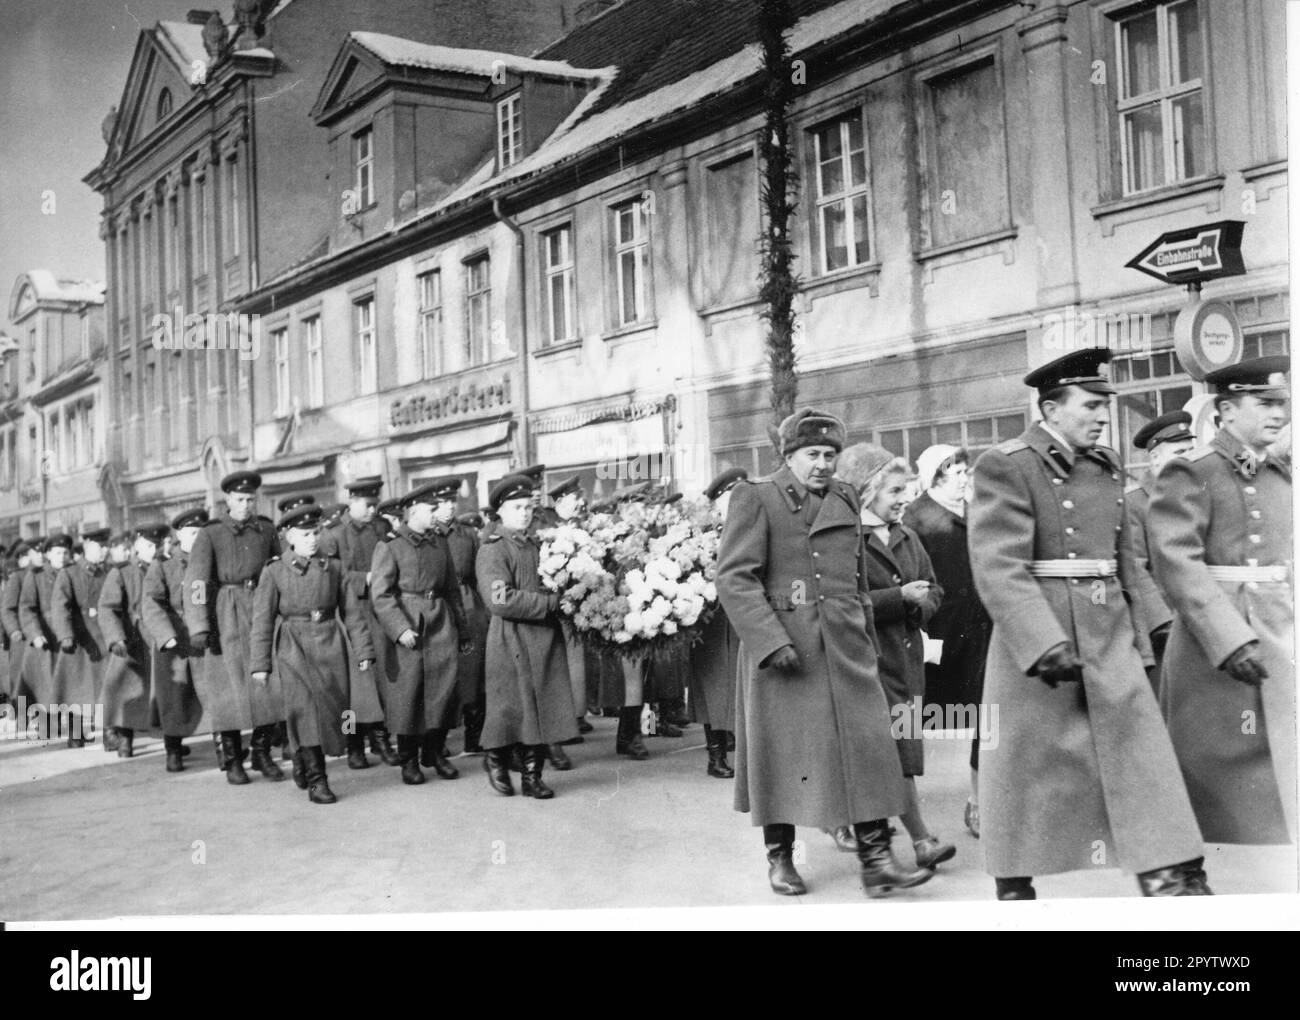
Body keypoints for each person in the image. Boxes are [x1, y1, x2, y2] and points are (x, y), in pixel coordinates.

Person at [968, 348, 1209, 900]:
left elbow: (1125, 558)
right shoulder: (1007, 464)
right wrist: (1041, 641)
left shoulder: (1103, 466)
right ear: (1051, 408)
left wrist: (1158, 623)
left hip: (1109, 634)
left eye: (1105, 404)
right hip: (1039, 640)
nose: (1103, 414)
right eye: (1091, 404)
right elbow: (999, 565)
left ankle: (1169, 877)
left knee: (1142, 754)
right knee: (1030, 773)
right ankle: (1014, 886)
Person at [716, 409, 930, 897]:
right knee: (784, 755)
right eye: (811, 454)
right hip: (784, 649)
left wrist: (865, 633)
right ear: (788, 456)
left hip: (846, 643)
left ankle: (877, 861)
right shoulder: (756, 497)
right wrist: (771, 642)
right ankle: (781, 859)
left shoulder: (844, 496)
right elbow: (734, 577)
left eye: (830, 455)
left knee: (869, 747)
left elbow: (855, 578)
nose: (822, 464)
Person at [1148, 357, 1295, 846]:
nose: (1280, 412)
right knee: (1221, 759)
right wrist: (1229, 639)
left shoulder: (1282, 475)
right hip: (1216, 639)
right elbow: (1177, 562)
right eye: (1265, 403)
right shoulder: (1191, 472)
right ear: (1227, 410)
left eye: (1283, 403)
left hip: (1283, 626)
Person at [837, 444, 955, 870]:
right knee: (890, 756)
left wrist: (922, 604)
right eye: (895, 491)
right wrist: (897, 598)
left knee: (899, 754)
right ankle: (921, 840)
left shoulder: (908, 537)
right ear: (867, 493)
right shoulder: (847, 541)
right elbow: (843, 601)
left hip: (906, 663)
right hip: (868, 663)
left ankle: (860, 828)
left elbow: (936, 589)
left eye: (906, 490)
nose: (904, 498)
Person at [250, 503, 376, 804]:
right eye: (304, 533)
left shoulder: (334, 567)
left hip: (331, 643)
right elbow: (262, 620)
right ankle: (318, 780)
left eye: (315, 532)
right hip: (293, 646)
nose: (312, 538)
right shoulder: (275, 571)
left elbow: (353, 613)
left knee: (334, 712)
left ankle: (301, 756)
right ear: (289, 536)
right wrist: (260, 663)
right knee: (304, 710)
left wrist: (363, 651)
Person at [903, 444, 990, 839]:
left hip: (979, 631)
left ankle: (979, 803)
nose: (962, 474)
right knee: (907, 719)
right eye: (953, 469)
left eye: (963, 468)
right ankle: (889, 807)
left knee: (985, 717)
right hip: (932, 633)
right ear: (935, 475)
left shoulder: (975, 512)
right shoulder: (914, 518)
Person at [476, 475, 578, 799]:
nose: (524, 513)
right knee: (511, 708)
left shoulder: (539, 545)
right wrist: (549, 603)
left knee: (542, 706)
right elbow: (499, 599)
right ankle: (496, 759)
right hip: (511, 639)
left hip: (544, 637)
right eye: (516, 507)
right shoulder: (493, 550)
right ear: (500, 512)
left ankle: (533, 776)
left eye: (528, 507)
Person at [184, 471, 284, 784]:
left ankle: (262, 752)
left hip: (261, 607)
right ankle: (232, 758)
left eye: (251, 499)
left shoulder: (266, 529)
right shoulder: (211, 534)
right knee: (226, 688)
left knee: (267, 682)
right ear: (228, 500)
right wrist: (199, 624)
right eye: (240, 499)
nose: (246, 505)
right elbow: (197, 581)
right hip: (224, 613)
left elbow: (279, 569)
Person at [370, 480, 471, 785]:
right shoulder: (390, 545)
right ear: (413, 511)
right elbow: (381, 595)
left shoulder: (439, 541)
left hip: (440, 621)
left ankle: (436, 752)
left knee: (444, 689)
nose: (438, 512)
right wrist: (399, 629)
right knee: (409, 694)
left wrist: (462, 630)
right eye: (432, 508)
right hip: (410, 622)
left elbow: (452, 588)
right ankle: (409, 760)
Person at [318, 476, 399, 768]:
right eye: (367, 505)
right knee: (352, 687)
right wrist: (364, 578)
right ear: (351, 502)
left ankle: (381, 739)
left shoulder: (381, 529)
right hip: (348, 615)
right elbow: (327, 575)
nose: (372, 510)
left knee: (380, 680)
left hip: (379, 612)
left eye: (376, 504)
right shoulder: (333, 535)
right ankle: (353, 744)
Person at [1124, 411, 1196, 695]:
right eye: (1179, 452)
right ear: (1155, 458)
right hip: (1162, 631)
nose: (1187, 459)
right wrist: (1162, 622)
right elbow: (1135, 567)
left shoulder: (1196, 496)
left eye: (1191, 451)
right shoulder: (1134, 503)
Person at [142, 510, 209, 772]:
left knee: (211, 691)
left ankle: (224, 744)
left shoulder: (209, 560)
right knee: (174, 694)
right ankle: (173, 748)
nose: (198, 538)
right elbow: (150, 601)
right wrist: (165, 635)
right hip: (175, 636)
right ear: (180, 535)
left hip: (204, 635)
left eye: (202, 533)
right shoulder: (164, 563)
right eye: (192, 533)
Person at [689, 468, 746, 778]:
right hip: (711, 622)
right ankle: (716, 756)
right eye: (731, 497)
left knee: (743, 686)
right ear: (717, 503)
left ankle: (747, 753)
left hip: (742, 620)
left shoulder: (752, 527)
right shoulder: (701, 535)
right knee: (713, 689)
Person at [429, 477, 491, 757]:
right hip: (441, 605)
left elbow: (480, 574)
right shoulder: (429, 536)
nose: (447, 508)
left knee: (474, 671)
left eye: (451, 502)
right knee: (443, 672)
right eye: (441, 503)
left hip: (469, 603)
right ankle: (438, 741)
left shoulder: (467, 535)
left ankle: (474, 735)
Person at [98, 526, 168, 758]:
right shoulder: (122, 572)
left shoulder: (165, 568)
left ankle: (172, 742)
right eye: (148, 545)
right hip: (133, 638)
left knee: (165, 688)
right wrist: (116, 637)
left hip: (159, 636)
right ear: (136, 546)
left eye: (156, 546)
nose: (153, 551)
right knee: (128, 689)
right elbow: (108, 608)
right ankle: (125, 739)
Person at [541, 475, 595, 745]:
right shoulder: (547, 527)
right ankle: (562, 723)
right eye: (575, 499)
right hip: (553, 606)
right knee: (558, 664)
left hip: (575, 604)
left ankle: (576, 714)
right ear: (561, 500)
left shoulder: (576, 526)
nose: (579, 503)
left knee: (575, 661)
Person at [50, 527, 113, 749]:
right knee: (76, 687)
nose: (104, 550)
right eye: (99, 546)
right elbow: (60, 606)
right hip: (79, 639)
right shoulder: (69, 573)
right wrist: (65, 634)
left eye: (107, 546)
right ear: (87, 547)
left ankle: (110, 732)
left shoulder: (110, 572)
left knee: (106, 684)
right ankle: (75, 732)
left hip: (105, 637)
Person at [18, 537, 60, 729]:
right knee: (43, 682)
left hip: (66, 635)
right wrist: (34, 633)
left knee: (70, 679)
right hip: (44, 635)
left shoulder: (69, 573)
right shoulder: (35, 576)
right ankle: (45, 722)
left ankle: (72, 726)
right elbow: (26, 608)